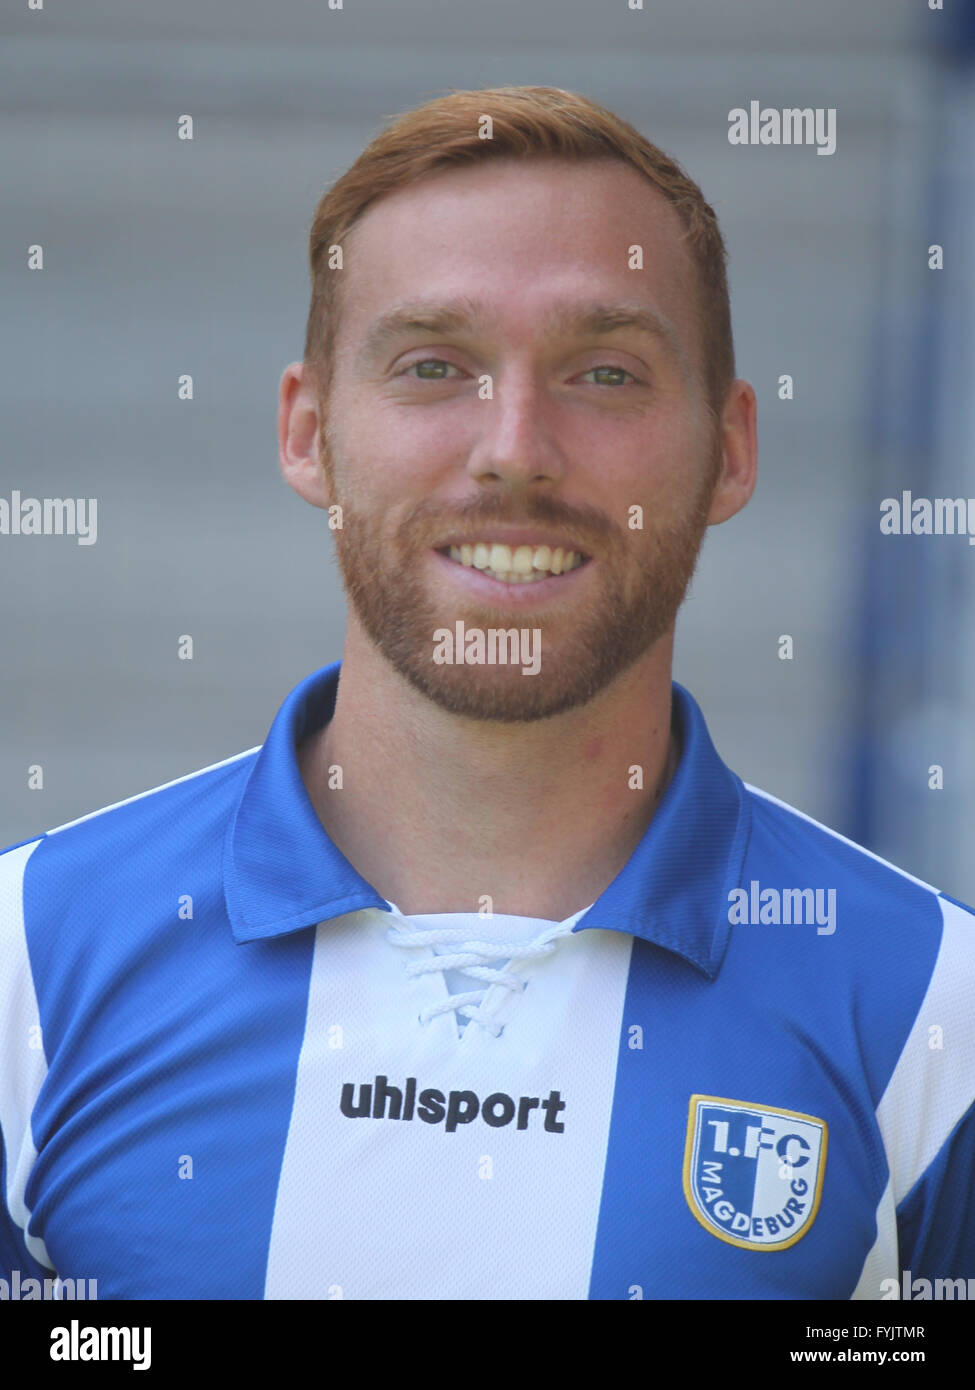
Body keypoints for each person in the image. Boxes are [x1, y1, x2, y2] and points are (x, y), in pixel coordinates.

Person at [1, 86, 973, 1302]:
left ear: (730, 449)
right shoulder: (27, 961)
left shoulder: (938, 1008)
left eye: (606, 373)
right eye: (432, 365)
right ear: (308, 434)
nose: (514, 444)